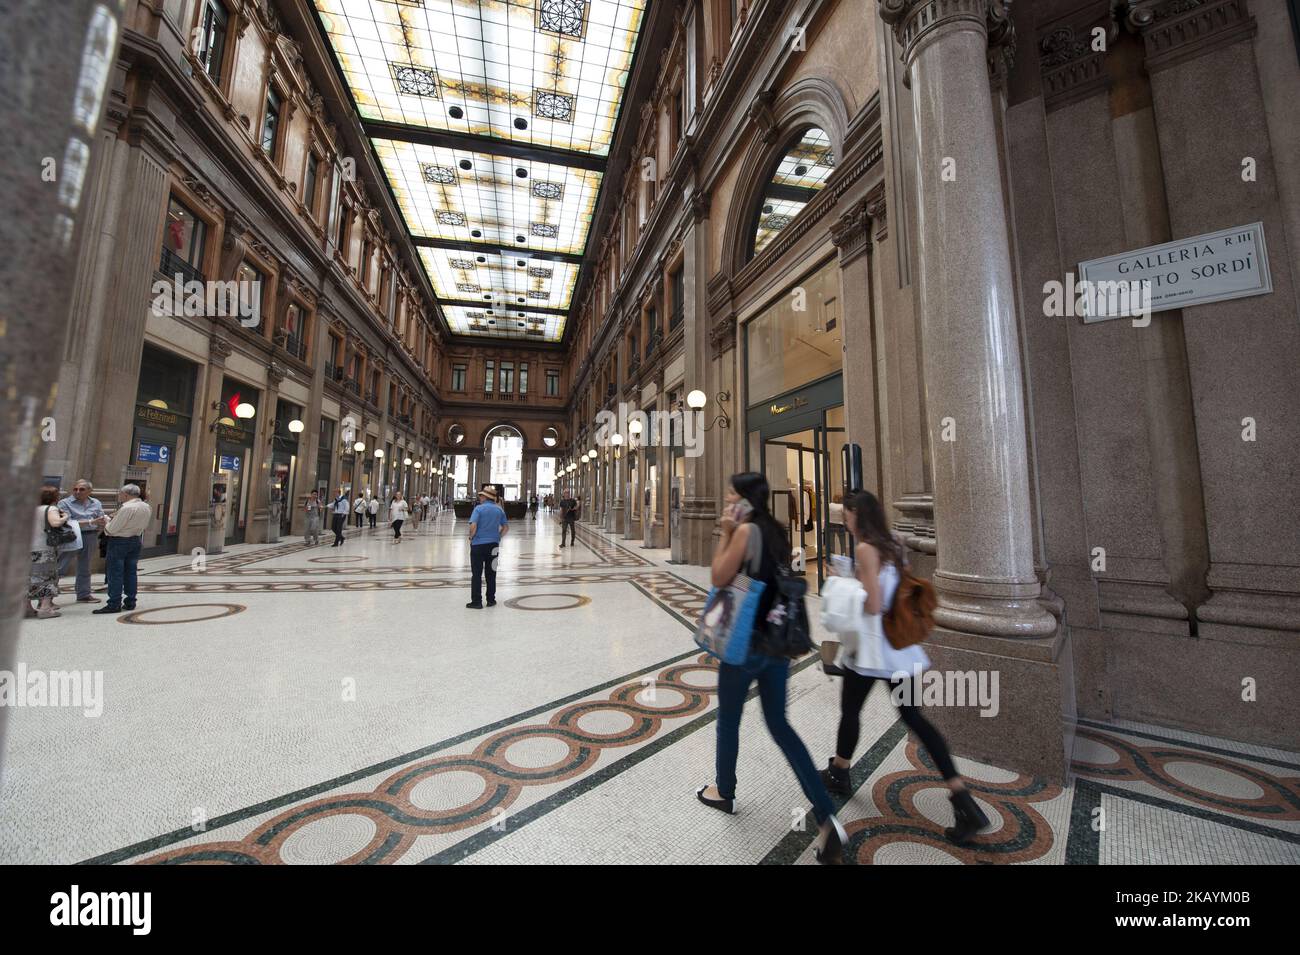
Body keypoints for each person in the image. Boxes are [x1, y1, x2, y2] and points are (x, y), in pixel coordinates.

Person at [821, 490, 989, 845]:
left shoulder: (866, 548)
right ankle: (962, 799)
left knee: (850, 710)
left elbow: (874, 604)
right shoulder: (895, 544)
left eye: (846, 514)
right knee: (914, 718)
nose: (845, 520)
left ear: (855, 514)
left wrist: (839, 581)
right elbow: (895, 586)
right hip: (901, 650)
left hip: (872, 651)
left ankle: (840, 771)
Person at [696, 472, 848, 865]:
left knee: (729, 721)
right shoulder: (778, 531)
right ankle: (826, 818)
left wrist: (727, 533)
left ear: (745, 498)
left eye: (731, 493)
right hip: (777, 645)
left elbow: (717, 577)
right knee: (781, 726)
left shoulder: (745, 532)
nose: (727, 498)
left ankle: (723, 791)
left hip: (743, 644)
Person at [92, 484, 151, 616]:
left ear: (126, 494)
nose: (119, 495)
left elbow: (110, 530)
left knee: (115, 573)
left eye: (120, 493)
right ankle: (130, 601)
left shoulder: (127, 508)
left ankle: (114, 603)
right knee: (131, 572)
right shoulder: (146, 506)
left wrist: (107, 520)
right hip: (135, 540)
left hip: (120, 542)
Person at [58, 479, 106, 603]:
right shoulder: (64, 503)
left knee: (85, 566)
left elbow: (100, 517)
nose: (78, 492)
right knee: (61, 566)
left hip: (90, 536)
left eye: (82, 489)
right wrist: (90, 522)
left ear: (90, 491)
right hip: (71, 536)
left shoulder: (95, 502)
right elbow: (67, 522)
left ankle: (83, 594)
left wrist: (100, 524)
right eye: (75, 489)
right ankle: (47, 597)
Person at [29, 486, 71, 619]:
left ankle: (26, 608)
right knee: (47, 577)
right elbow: (55, 523)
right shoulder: (50, 509)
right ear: (54, 497)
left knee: (28, 578)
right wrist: (65, 517)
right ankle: (45, 608)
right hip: (44, 549)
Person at [465, 487, 507, 609]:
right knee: (491, 573)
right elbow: (506, 527)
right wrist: (498, 537)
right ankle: (491, 599)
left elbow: (473, 525)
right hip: (493, 546)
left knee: (477, 573)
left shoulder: (478, 509)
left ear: (485, 497)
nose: (480, 497)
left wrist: (471, 537)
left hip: (478, 545)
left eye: (481, 495)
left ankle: (477, 601)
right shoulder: (499, 510)